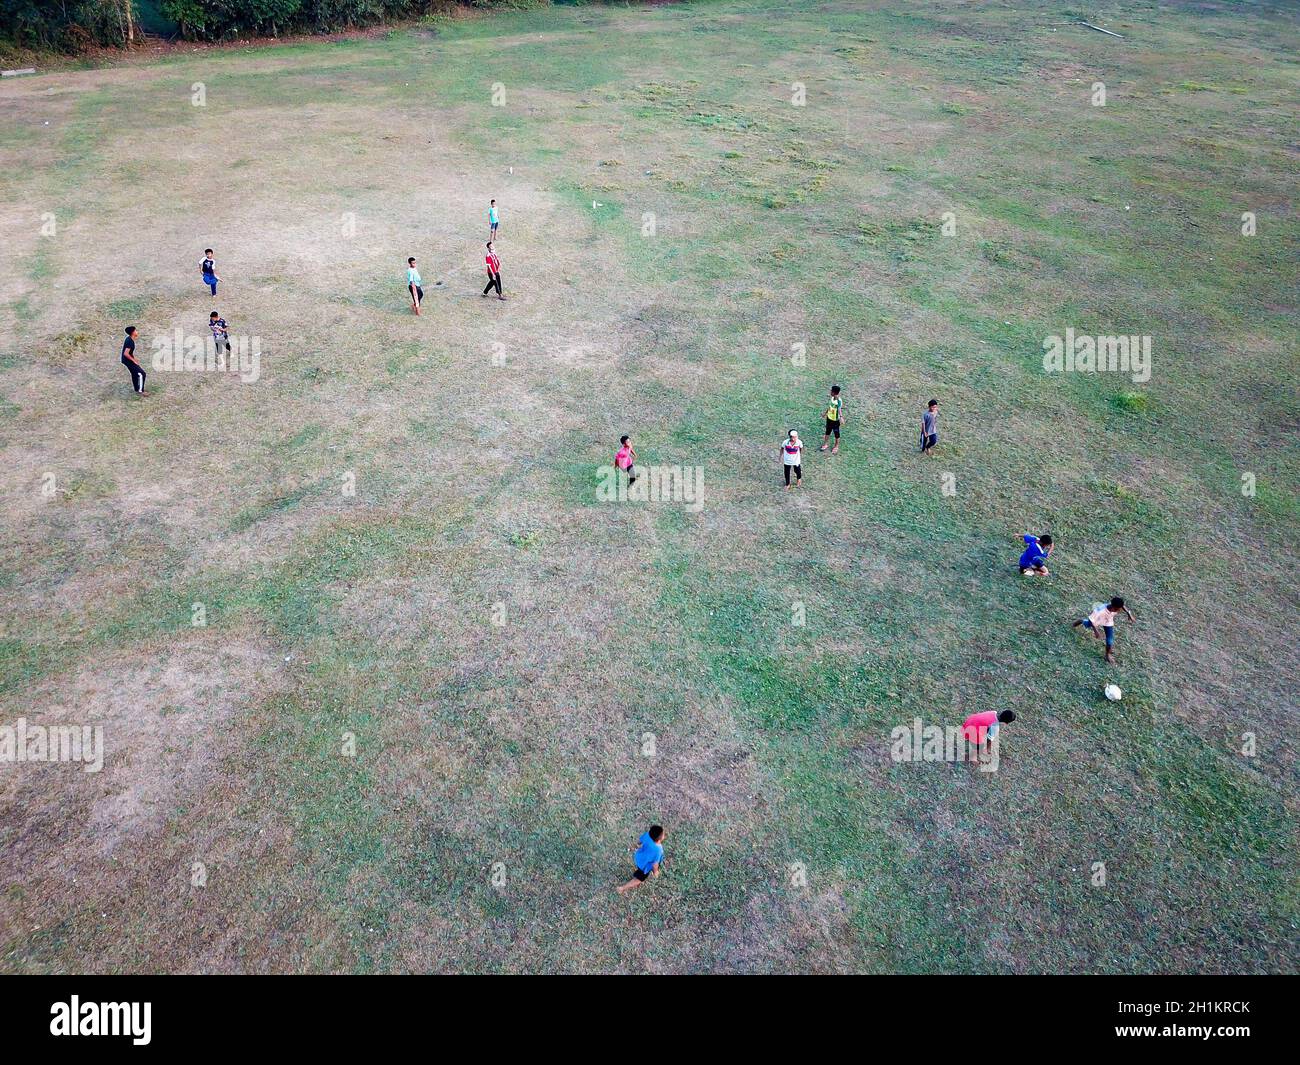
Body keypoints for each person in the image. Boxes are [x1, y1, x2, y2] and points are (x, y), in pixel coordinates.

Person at [1071, 597, 1137, 664]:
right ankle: (1081, 621)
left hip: (1108, 621)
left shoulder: (1116, 606)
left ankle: (1107, 655)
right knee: (1087, 624)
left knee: (1110, 640)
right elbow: (1092, 621)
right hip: (1098, 619)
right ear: (1113, 607)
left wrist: (1129, 614)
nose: (1119, 610)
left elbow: (1122, 606)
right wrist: (1096, 632)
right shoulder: (1100, 611)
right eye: (1118, 609)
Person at [616, 825, 666, 895]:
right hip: (645, 866)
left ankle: (636, 874)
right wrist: (655, 872)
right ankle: (622, 888)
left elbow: (639, 841)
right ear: (659, 839)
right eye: (663, 834)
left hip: (639, 858)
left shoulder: (647, 835)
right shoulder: (658, 850)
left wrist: (632, 847)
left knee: (639, 870)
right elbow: (655, 864)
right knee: (639, 879)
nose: (664, 835)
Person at [121, 325, 146, 396]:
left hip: (126, 360)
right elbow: (126, 353)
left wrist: (133, 358)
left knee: (134, 373)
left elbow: (129, 353)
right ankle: (141, 391)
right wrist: (134, 360)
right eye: (136, 330)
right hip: (127, 361)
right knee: (142, 374)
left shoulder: (129, 339)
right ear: (133, 333)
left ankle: (136, 389)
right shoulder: (130, 342)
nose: (137, 332)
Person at [819, 384, 844, 454]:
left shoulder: (839, 401)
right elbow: (830, 407)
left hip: (835, 420)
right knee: (827, 431)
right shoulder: (832, 398)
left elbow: (839, 410)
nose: (830, 392)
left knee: (836, 433)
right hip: (829, 418)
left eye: (831, 391)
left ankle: (836, 446)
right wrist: (825, 413)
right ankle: (825, 444)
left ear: (834, 392)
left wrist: (841, 417)